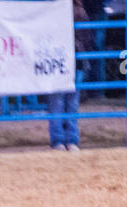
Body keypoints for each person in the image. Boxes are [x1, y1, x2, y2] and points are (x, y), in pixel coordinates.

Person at [47, 0, 89, 151]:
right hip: (63, 61)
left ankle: (62, 139)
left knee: (61, 102)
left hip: (66, 61)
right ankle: (68, 139)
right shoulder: (78, 10)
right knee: (68, 103)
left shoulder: (53, 10)